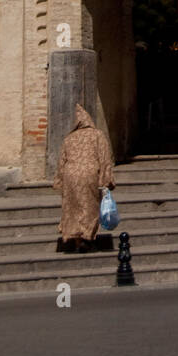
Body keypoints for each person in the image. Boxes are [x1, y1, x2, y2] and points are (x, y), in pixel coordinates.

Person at [53, 104, 115, 252]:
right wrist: (107, 180)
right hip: (89, 174)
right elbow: (105, 158)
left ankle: (76, 241)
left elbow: (62, 161)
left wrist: (60, 180)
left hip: (70, 175)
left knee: (72, 207)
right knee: (89, 206)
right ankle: (87, 239)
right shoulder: (97, 135)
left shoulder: (69, 138)